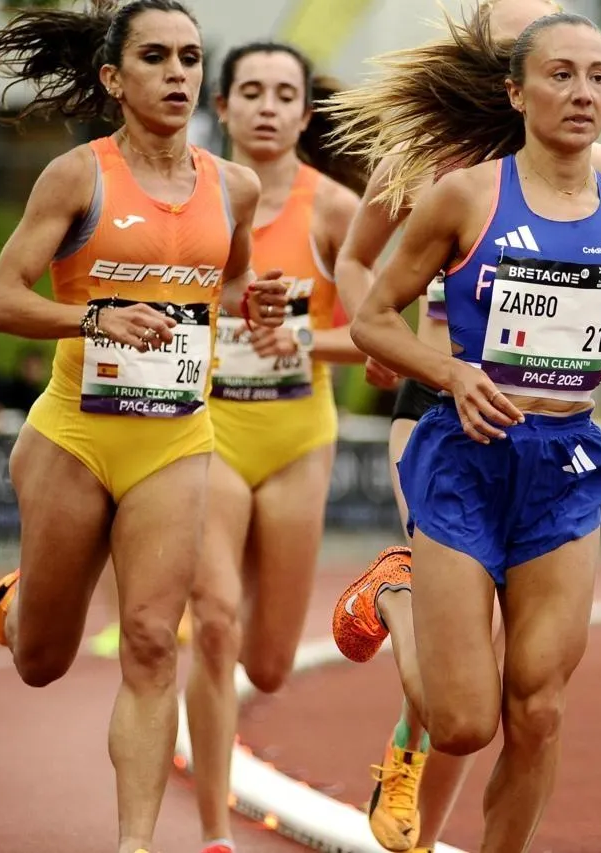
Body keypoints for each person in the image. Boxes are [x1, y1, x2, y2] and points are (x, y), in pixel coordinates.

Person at [352, 12, 601, 850]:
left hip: (566, 462)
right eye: (560, 75)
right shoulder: (464, 196)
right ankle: (393, 594)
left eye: (598, 76)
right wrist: (450, 372)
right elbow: (374, 318)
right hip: (465, 456)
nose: (583, 92)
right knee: (465, 723)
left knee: (540, 708)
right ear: (515, 92)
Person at [0, 3, 287, 852]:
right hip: (75, 434)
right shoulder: (79, 177)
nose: (179, 73)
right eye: (156, 57)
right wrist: (97, 316)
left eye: (191, 57)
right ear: (114, 79)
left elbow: (227, 290)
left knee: (154, 640)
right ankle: (22, 603)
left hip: (177, 438)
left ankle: (135, 846)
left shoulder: (235, 186)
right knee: (42, 659)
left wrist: (250, 304)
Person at [177, 40, 366, 853]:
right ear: (222, 106)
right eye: (248, 91)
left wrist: (304, 343)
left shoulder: (334, 210)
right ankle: (216, 829)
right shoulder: (189, 195)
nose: (265, 106)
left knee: (272, 661)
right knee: (213, 624)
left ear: (304, 112)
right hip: (205, 431)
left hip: (296, 444)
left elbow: (375, 333)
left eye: (282, 93)